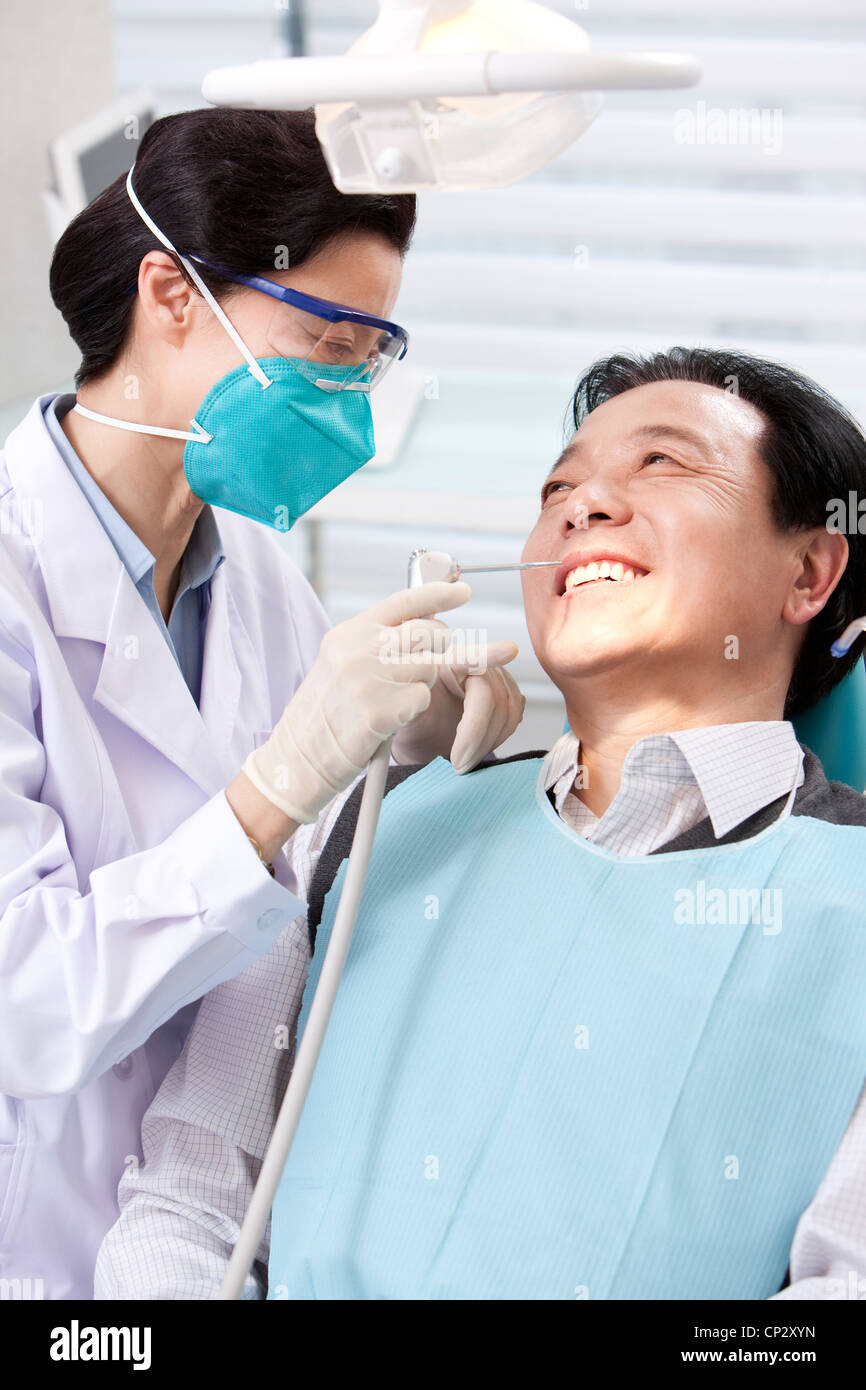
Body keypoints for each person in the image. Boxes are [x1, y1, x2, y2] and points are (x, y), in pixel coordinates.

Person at [94, 347, 866, 1301]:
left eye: (660, 464)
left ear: (811, 569)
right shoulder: (364, 833)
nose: (582, 504)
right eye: (559, 485)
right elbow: (192, 1200)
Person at [0, 106, 524, 1300]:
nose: (347, 395)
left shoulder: (256, 573)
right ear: (170, 293)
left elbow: (287, 907)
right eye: (322, 340)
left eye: (372, 352)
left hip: (207, 1232)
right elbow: (26, 999)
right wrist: (281, 782)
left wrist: (406, 750)